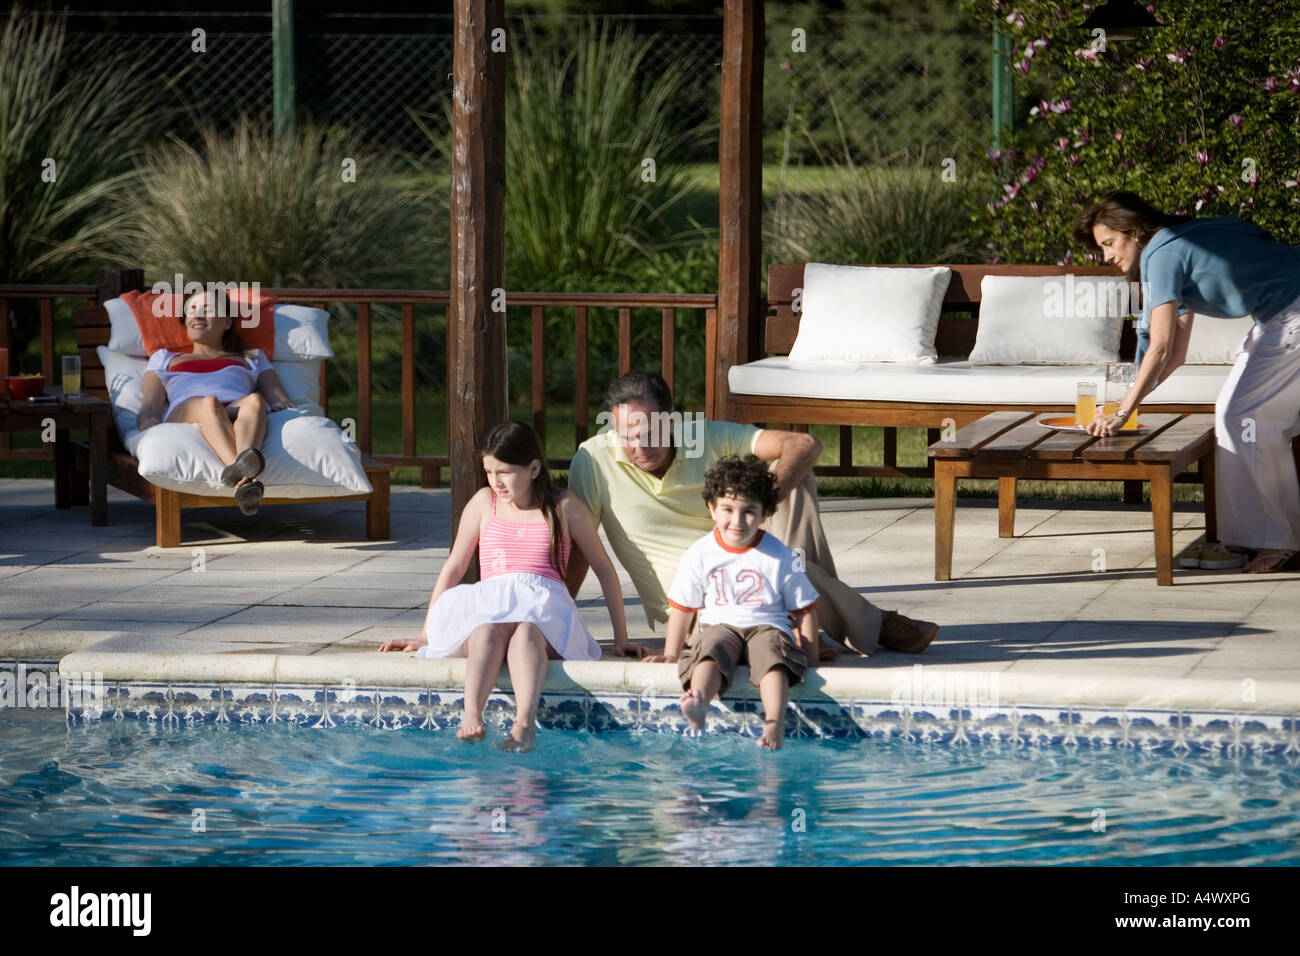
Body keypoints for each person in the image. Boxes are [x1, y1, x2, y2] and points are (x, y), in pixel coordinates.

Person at [565, 371, 938, 655]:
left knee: (794, 474)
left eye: (650, 432)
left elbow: (803, 444)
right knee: (783, 569)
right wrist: (555, 617)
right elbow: (580, 545)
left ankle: (794, 618)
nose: (639, 445)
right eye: (627, 434)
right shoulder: (594, 459)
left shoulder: (705, 436)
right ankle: (862, 622)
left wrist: (766, 500)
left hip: (750, 567)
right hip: (699, 608)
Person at [379, 421, 653, 752]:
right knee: (486, 630)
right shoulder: (484, 503)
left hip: (542, 606)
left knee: (526, 633)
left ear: (534, 467)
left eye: (505, 472)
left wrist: (621, 638)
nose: (496, 481)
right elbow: (454, 567)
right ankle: (471, 714)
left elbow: (605, 570)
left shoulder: (563, 507)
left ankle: (524, 723)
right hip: (491, 601)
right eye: (489, 471)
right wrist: (426, 634)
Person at [1076, 191, 1300, 573]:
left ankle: (1276, 539)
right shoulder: (1169, 251)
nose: (1107, 257)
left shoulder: (1160, 254)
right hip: (1277, 317)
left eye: (1109, 244)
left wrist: (1122, 409)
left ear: (1132, 231)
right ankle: (1254, 538)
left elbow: (1160, 347)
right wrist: (1124, 404)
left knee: (1241, 418)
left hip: (1292, 311)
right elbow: (1174, 355)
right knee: (1238, 420)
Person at [660, 455, 818, 750]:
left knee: (773, 656)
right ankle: (699, 702)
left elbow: (804, 609)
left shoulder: (781, 555)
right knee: (710, 648)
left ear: (764, 514)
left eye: (749, 512)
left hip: (767, 625)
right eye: (728, 509)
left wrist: (813, 659)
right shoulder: (700, 553)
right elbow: (683, 608)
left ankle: (774, 722)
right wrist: (670, 654)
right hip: (720, 625)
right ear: (712, 509)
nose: (737, 521)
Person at [137, 289, 295, 515]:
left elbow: (279, 398)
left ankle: (242, 481)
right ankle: (243, 474)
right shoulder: (164, 358)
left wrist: (282, 406)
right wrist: (146, 421)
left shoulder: (253, 357)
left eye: (207, 310)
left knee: (256, 401)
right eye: (192, 310)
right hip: (186, 409)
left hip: (233, 408)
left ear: (227, 322)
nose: (197, 316)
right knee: (210, 403)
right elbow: (149, 406)